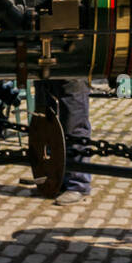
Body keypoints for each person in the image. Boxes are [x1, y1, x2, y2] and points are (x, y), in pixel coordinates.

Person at [41, 77, 92, 205]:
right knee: (46, 124)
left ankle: (77, 184)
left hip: (72, 68)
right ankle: (54, 179)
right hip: (43, 69)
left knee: (73, 126)